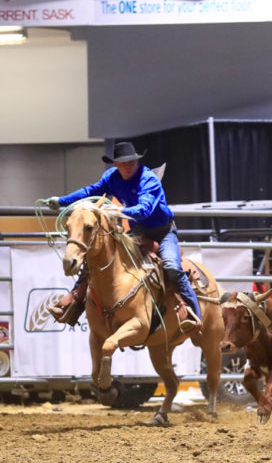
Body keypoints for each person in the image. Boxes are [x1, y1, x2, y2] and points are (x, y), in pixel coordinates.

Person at [43, 142, 202, 332]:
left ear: (137, 161)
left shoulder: (149, 179)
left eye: (131, 162)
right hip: (138, 231)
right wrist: (61, 201)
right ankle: (74, 300)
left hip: (163, 231)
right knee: (99, 256)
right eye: (123, 163)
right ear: (116, 165)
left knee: (171, 266)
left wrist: (118, 211)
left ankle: (194, 315)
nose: (128, 166)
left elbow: (145, 209)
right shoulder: (111, 177)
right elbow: (90, 192)